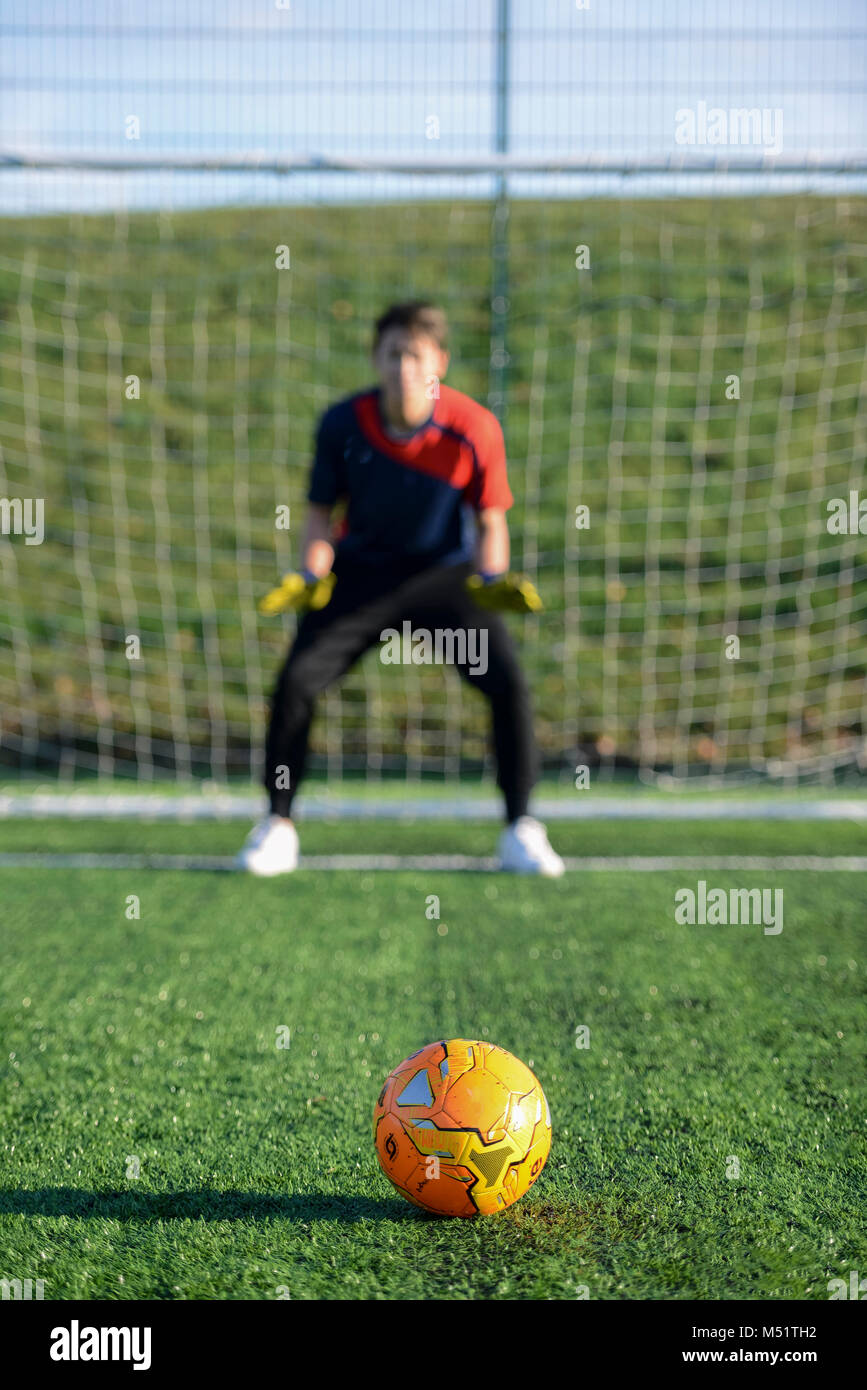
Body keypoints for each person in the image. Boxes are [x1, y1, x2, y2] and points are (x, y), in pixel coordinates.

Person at [238, 300, 564, 877]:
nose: (404, 368)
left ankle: (521, 826)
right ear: (375, 359)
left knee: (508, 684)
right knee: (296, 682)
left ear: (439, 361)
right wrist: (311, 576)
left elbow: (491, 521)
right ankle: (278, 824)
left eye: (415, 355)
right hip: (360, 577)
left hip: (444, 578)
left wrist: (491, 581)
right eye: (393, 354)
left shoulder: (474, 428)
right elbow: (318, 515)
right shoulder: (341, 425)